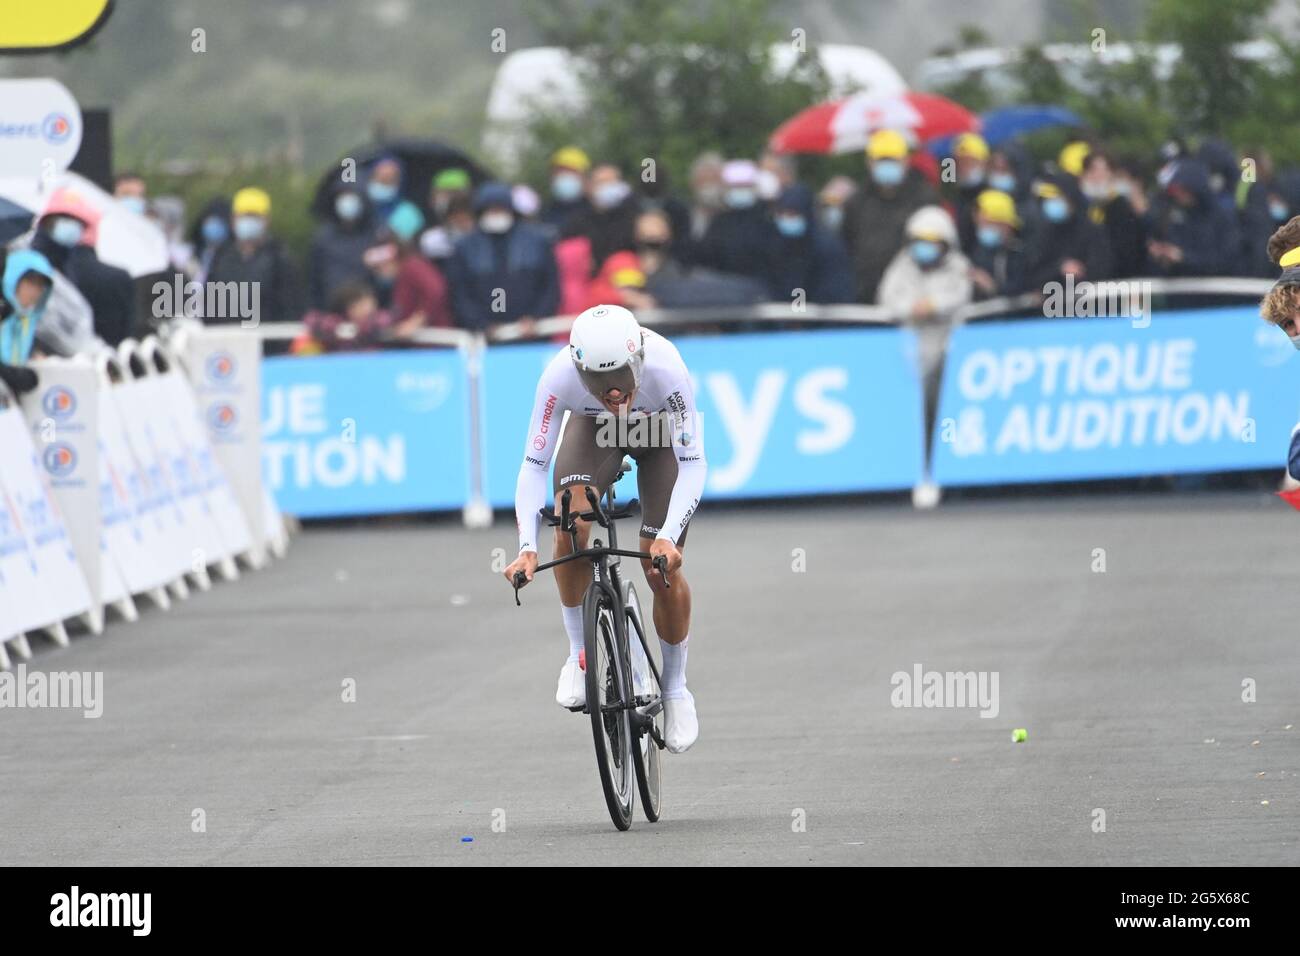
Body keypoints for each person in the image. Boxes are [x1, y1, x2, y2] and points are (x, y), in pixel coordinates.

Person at [503, 305, 705, 753]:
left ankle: (675, 688)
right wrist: (526, 546)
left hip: (658, 437)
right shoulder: (558, 377)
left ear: (638, 359)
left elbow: (693, 463)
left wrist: (668, 535)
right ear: (579, 370)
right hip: (594, 432)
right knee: (569, 523)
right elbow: (533, 465)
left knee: (659, 565)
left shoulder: (667, 369)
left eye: (620, 377)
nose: (613, 391)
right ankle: (579, 654)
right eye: (598, 381)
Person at [445, 181, 559, 332]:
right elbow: (459, 293)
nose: (496, 214)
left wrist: (536, 317)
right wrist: (480, 324)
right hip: (484, 336)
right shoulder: (465, 247)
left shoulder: (536, 242)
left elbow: (550, 286)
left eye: (500, 209)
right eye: (491, 210)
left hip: (530, 333)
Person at [841, 129, 940, 303]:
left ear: (905, 162)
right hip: (866, 295)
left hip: (914, 298)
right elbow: (846, 246)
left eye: (893, 160)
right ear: (869, 163)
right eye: (882, 160)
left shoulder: (924, 199)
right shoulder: (856, 202)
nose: (887, 166)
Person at [30, 187, 135, 345]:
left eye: (79, 223)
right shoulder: (33, 264)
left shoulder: (66, 264)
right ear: (47, 222)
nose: (72, 228)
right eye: (64, 219)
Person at [206, 186, 303, 324]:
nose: (248, 221)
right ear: (233, 220)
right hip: (226, 335)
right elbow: (210, 304)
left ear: (266, 220)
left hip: (269, 335)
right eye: (244, 216)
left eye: (254, 217)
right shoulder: (221, 258)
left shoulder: (279, 259)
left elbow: (291, 308)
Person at [877, 205, 973, 321]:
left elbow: (963, 296)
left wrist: (935, 305)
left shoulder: (958, 265)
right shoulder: (902, 263)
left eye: (931, 241)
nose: (925, 246)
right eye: (920, 240)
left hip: (950, 328)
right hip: (908, 328)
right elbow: (886, 297)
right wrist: (911, 307)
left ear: (944, 243)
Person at [693, 159, 779, 284]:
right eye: (735, 187)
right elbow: (707, 257)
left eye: (744, 186)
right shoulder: (719, 222)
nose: (740, 190)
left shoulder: (767, 221)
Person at [1021, 174, 1112, 291]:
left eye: (1057, 198)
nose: (1051, 203)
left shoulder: (1092, 231)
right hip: (1051, 300)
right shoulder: (1042, 234)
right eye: (1048, 199)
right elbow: (1031, 274)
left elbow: (1102, 268)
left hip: (1089, 298)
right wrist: (1059, 268)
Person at [768, 184, 854, 304]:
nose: (787, 219)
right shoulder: (773, 243)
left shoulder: (826, 247)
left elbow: (836, 287)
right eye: (782, 214)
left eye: (793, 214)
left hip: (820, 310)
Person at [308, 181, 378, 310]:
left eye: (353, 197)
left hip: (367, 313)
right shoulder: (323, 238)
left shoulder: (374, 236)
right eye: (343, 196)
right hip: (330, 312)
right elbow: (314, 281)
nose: (347, 202)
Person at [1079, 150, 1148, 277]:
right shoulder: (1077, 206)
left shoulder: (1120, 205)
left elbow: (1129, 247)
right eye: (1093, 170)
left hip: (1117, 275)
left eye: (1104, 170)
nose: (1099, 176)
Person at [0, 248, 55, 394]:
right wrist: (10, 375)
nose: (34, 291)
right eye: (30, 282)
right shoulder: (3, 313)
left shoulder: (27, 321)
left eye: (40, 286)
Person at [967, 190, 1026, 299]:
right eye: (979, 224)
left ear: (1006, 224)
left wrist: (994, 288)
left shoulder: (1023, 252)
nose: (982, 228)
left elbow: (1024, 287)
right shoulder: (980, 252)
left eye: (987, 223)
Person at [950, 133, 989, 251]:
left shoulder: (993, 197)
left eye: (971, 162)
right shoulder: (955, 196)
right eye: (960, 162)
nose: (964, 168)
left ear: (984, 163)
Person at [541, 146, 592, 236]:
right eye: (560, 172)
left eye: (571, 173)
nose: (565, 177)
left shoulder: (594, 212)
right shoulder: (544, 212)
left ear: (585, 178)